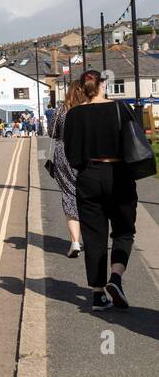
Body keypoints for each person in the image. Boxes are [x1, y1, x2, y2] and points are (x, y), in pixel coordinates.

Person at [62, 70, 138, 311]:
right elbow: (135, 141)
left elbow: (71, 154)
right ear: (103, 85)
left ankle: (97, 294)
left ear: (82, 89)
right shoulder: (122, 109)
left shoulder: (74, 115)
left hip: (89, 176)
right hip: (120, 176)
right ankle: (115, 278)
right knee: (124, 231)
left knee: (94, 235)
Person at [50, 81, 86, 257]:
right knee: (88, 196)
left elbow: (52, 133)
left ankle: (75, 242)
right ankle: (91, 238)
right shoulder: (89, 110)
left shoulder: (61, 110)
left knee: (69, 196)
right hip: (86, 154)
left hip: (64, 155)